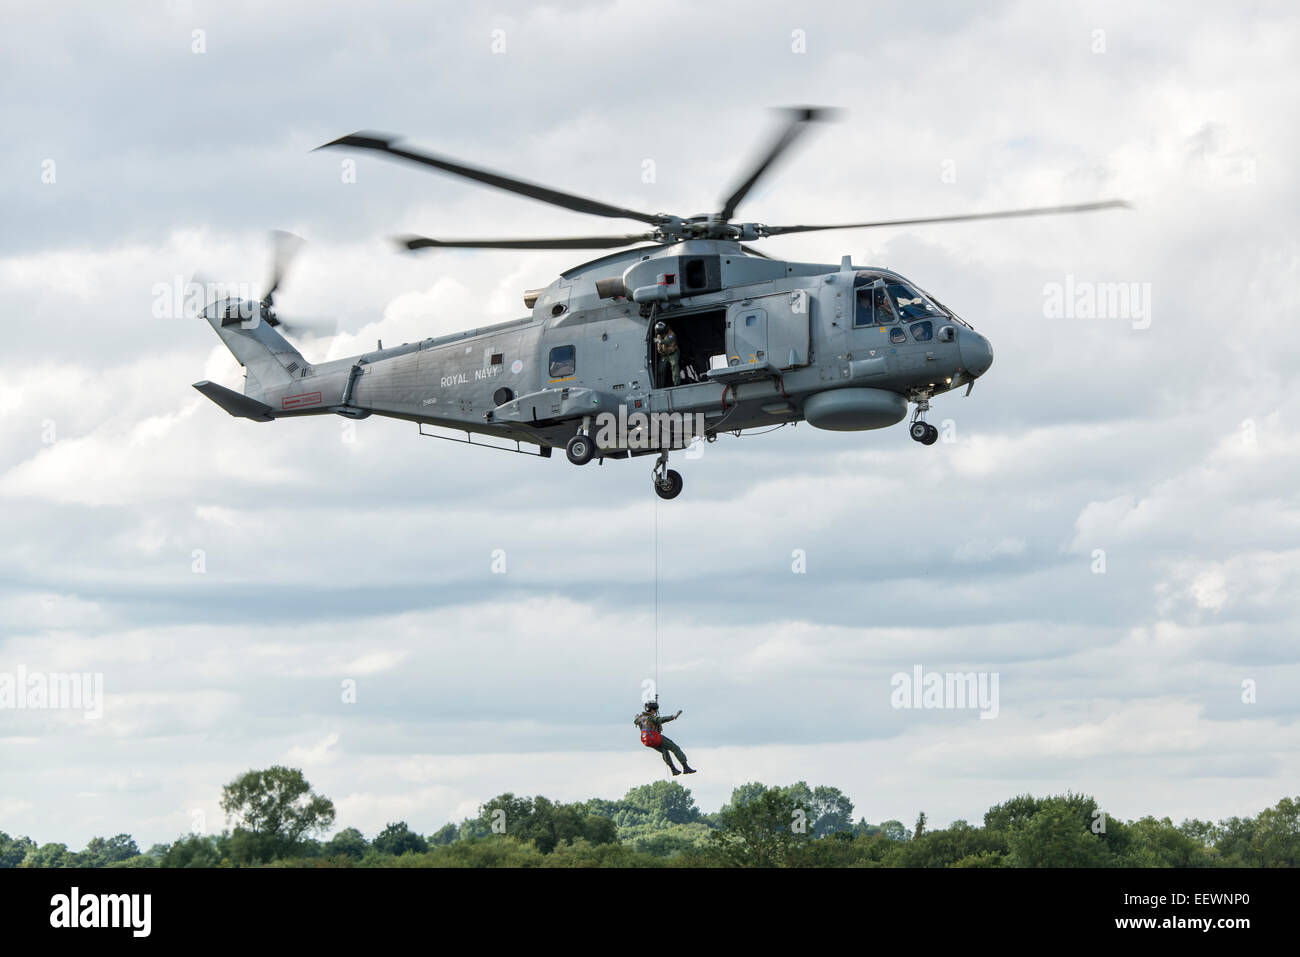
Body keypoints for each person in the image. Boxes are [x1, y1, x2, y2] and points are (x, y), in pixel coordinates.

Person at [634, 700, 695, 775]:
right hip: (655, 738)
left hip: (646, 741)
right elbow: (660, 720)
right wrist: (672, 717)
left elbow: (636, 721)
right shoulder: (651, 718)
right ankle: (686, 767)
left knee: (664, 751)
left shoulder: (640, 718)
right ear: (653, 710)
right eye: (655, 710)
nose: (656, 711)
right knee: (674, 747)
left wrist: (637, 717)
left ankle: (673, 770)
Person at [654, 321, 680, 386]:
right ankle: (660, 385)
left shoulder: (671, 334)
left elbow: (668, 341)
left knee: (675, 367)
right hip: (664, 355)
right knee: (660, 370)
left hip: (673, 354)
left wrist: (660, 341)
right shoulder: (659, 335)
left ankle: (676, 383)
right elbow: (658, 346)